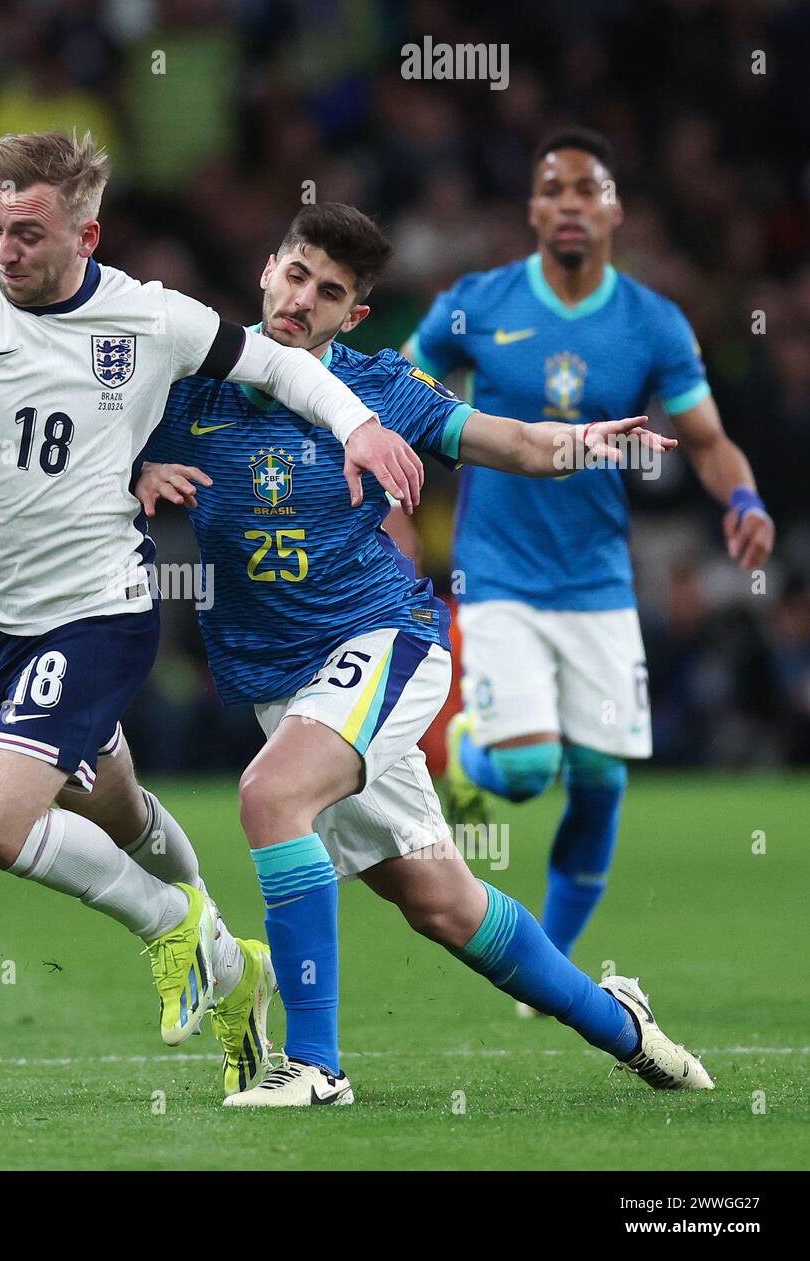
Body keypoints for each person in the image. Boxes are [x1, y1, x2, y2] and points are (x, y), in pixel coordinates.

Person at [0, 131, 423, 1092]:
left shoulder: (151, 318)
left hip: (99, 611)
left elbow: (280, 367)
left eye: (27, 233)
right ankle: (231, 955)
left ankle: (181, 933)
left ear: (84, 235)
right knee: (121, 811)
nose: (5, 251)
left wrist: (359, 424)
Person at [139, 201, 709, 1105]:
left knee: (269, 794)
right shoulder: (190, 385)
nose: (303, 301)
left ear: (353, 315)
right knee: (442, 903)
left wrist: (585, 442)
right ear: (266, 269)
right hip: (278, 682)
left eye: (329, 292)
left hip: (386, 640)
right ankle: (624, 1025)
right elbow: (97, 459)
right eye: (295, 275)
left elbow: (510, 441)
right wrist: (133, 474)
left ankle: (315, 1067)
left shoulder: (380, 387)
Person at [402, 129, 774, 981]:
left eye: (587, 188)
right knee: (531, 771)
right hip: (497, 570)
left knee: (601, 779)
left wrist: (745, 498)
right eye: (552, 188)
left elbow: (709, 440)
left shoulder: (652, 322)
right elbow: (394, 383)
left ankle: (553, 968)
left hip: (600, 580)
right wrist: (384, 470)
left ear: (613, 209)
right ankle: (466, 752)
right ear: (532, 209)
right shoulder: (478, 304)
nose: (569, 202)